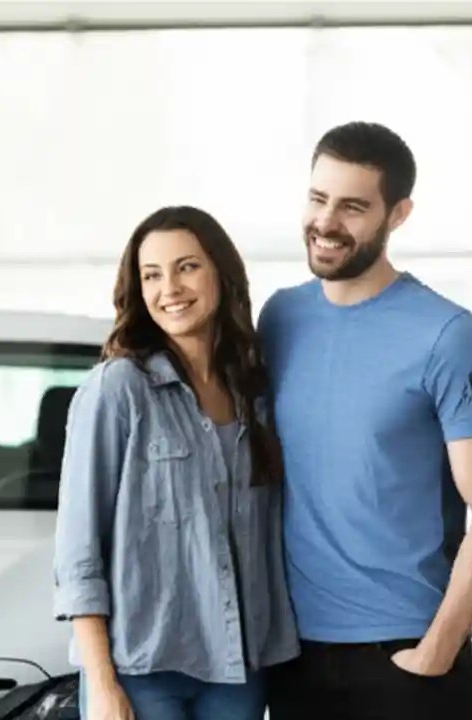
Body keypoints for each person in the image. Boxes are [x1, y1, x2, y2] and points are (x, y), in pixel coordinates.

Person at [259, 121, 472, 719]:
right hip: (295, 655)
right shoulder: (280, 318)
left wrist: (437, 650)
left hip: (404, 655)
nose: (326, 222)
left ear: (397, 214)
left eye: (353, 207)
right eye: (318, 198)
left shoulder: (448, 335)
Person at [52, 206, 300, 720]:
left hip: (240, 671)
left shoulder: (254, 393)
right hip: (142, 672)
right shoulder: (118, 389)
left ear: (220, 274)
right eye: (151, 275)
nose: (170, 288)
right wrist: (100, 684)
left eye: (186, 267)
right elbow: (79, 549)